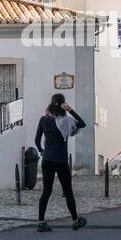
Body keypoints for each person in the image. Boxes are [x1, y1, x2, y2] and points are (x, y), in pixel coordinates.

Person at [34, 94, 87, 231]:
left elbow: (37, 140)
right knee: (68, 192)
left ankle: (41, 222)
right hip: (61, 160)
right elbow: (82, 123)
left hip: (47, 159)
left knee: (46, 191)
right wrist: (70, 110)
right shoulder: (67, 121)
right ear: (63, 105)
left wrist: (42, 151)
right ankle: (76, 220)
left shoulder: (43, 120)